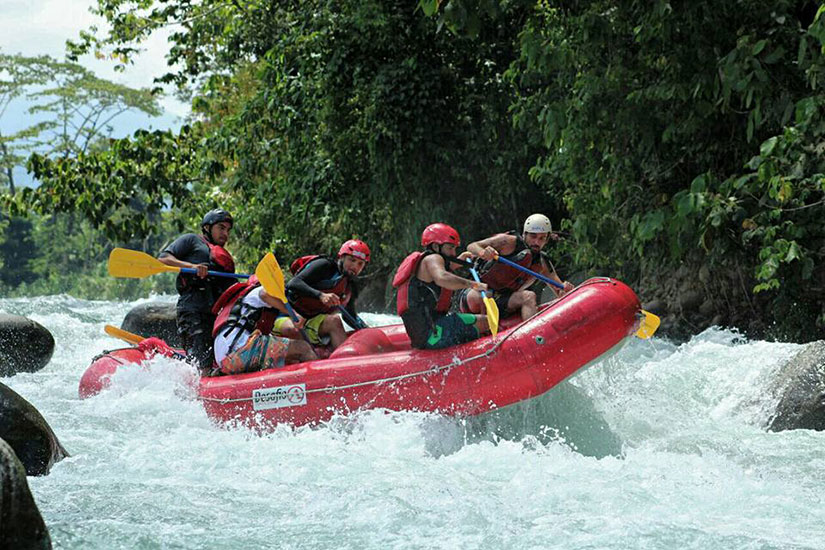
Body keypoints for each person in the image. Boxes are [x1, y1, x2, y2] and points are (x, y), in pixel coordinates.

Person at [158, 208, 236, 372]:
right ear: (207, 228)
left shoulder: (223, 257)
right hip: (192, 311)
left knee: (217, 360)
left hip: (215, 314)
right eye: (221, 228)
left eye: (228, 230)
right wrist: (192, 267)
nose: (225, 234)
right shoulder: (192, 240)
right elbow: (164, 259)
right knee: (202, 363)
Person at [457, 213, 574, 321]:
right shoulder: (508, 242)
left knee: (529, 296)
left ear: (547, 239)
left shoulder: (542, 262)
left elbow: (559, 289)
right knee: (480, 296)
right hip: (476, 295)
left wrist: (565, 290)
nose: (537, 242)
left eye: (542, 238)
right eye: (533, 236)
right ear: (525, 234)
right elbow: (472, 246)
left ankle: (533, 338)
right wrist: (483, 253)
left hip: (503, 301)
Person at [393, 223, 490, 350]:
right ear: (435, 246)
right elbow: (442, 277)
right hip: (432, 334)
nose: (453, 253)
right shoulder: (433, 258)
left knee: (484, 321)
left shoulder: (428, 261)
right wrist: (473, 285)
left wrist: (460, 261)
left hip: (428, 332)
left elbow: (443, 270)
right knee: (486, 323)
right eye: (450, 248)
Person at [275, 239, 370, 350]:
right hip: (286, 314)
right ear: (342, 258)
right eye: (352, 260)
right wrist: (321, 295)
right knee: (293, 330)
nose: (355, 266)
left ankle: (345, 361)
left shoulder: (350, 285)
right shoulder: (325, 266)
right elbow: (293, 283)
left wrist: (366, 329)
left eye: (360, 264)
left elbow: (349, 316)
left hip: (310, 320)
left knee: (335, 320)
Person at [211, 276, 316, 376]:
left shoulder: (243, 304)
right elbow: (265, 293)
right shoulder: (256, 291)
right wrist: (293, 313)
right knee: (303, 347)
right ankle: (323, 382)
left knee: (288, 356)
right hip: (239, 350)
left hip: (225, 360)